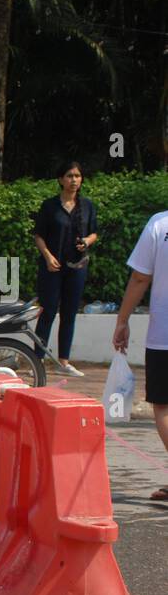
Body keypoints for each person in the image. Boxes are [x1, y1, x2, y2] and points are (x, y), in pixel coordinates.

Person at [114, 209, 168, 500]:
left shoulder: (160, 224)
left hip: (165, 336)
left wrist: (122, 320)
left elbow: (139, 278)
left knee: (164, 407)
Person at [32, 161, 98, 377]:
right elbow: (38, 235)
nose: (74, 180)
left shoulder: (87, 206)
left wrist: (87, 241)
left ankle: (64, 361)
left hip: (77, 266)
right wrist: (48, 256)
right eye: (69, 176)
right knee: (48, 312)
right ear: (60, 179)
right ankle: (37, 360)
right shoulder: (49, 206)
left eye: (78, 176)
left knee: (69, 313)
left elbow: (94, 233)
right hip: (52, 267)